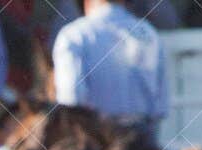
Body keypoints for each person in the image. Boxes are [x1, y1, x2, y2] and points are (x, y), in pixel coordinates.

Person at [51, 0, 169, 138]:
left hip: (99, 142)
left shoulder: (74, 35)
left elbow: (71, 100)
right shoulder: (149, 32)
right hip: (143, 140)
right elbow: (161, 106)